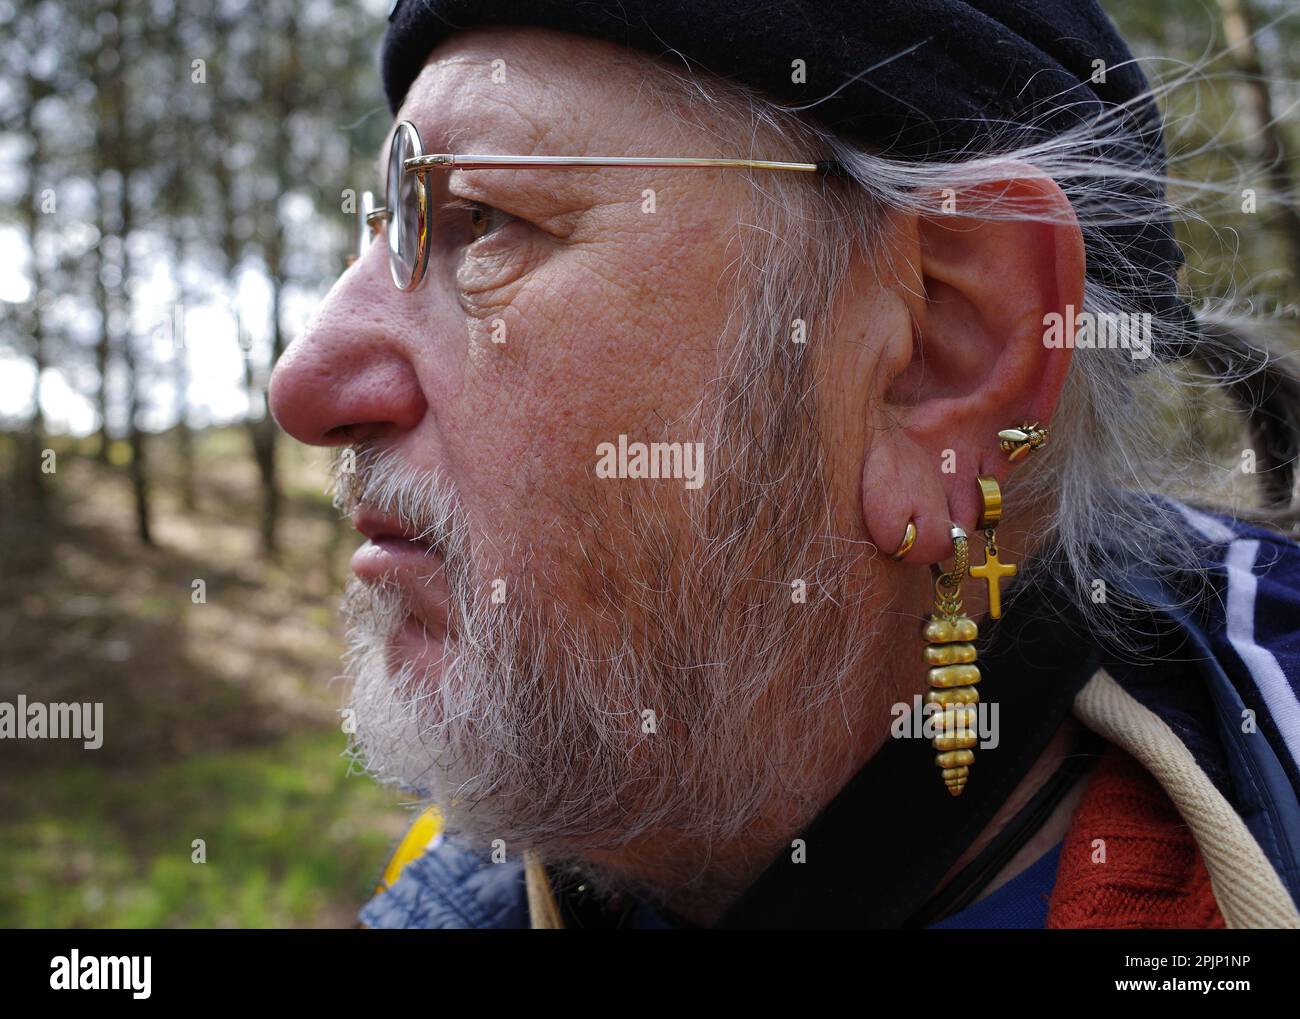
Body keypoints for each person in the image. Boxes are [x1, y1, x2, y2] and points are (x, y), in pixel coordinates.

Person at [268, 0, 1300, 928]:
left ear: (944, 350)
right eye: (390, 225)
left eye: (480, 221)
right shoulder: (454, 873)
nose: (302, 386)